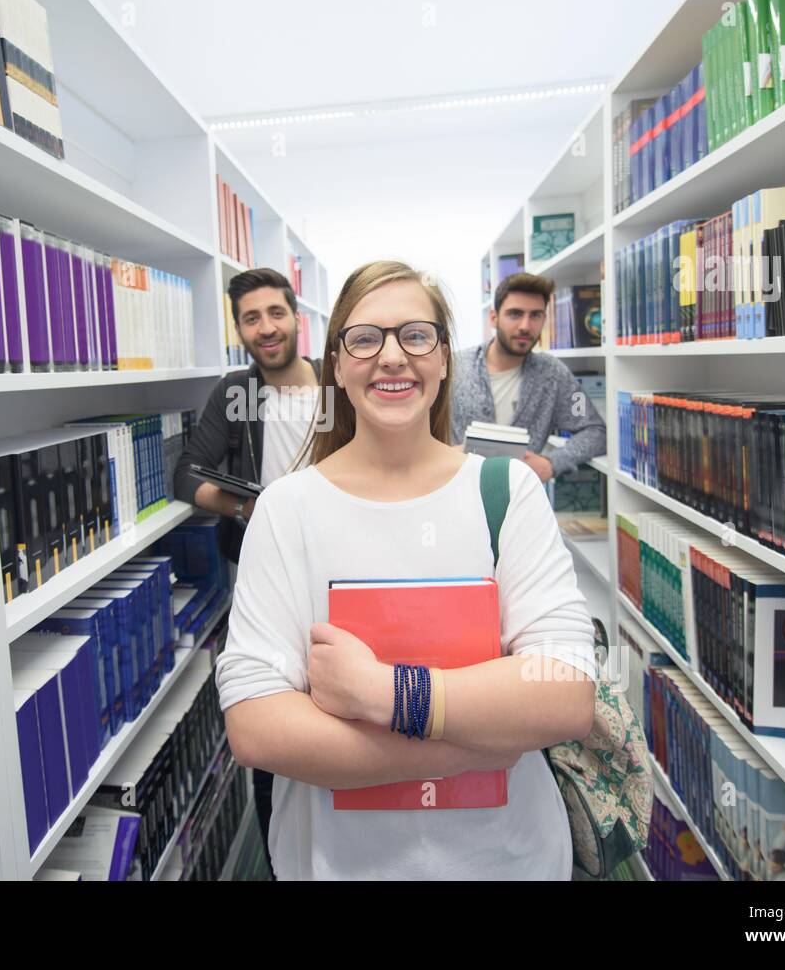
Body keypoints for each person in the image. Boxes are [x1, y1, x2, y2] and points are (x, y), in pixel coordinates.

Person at [215, 260, 597, 880]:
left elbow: (566, 694)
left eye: (415, 336)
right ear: (336, 365)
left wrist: (381, 694)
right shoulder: (287, 509)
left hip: (507, 861)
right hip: (337, 865)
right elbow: (257, 727)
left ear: (444, 358)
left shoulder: (506, 492)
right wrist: (471, 740)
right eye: (365, 339)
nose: (392, 356)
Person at [172, 266, 322, 878]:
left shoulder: (339, 385)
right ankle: (281, 858)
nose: (266, 328)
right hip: (262, 578)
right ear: (239, 329)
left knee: (341, 704)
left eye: (275, 313)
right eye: (251, 318)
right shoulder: (237, 393)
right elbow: (187, 475)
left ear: (296, 318)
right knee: (268, 711)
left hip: (336, 573)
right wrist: (247, 507)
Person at [450, 271, 605, 481]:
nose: (525, 326)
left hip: (521, 500)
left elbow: (594, 431)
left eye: (535, 315)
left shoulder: (555, 375)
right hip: (456, 493)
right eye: (515, 314)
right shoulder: (454, 368)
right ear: (494, 318)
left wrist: (552, 463)